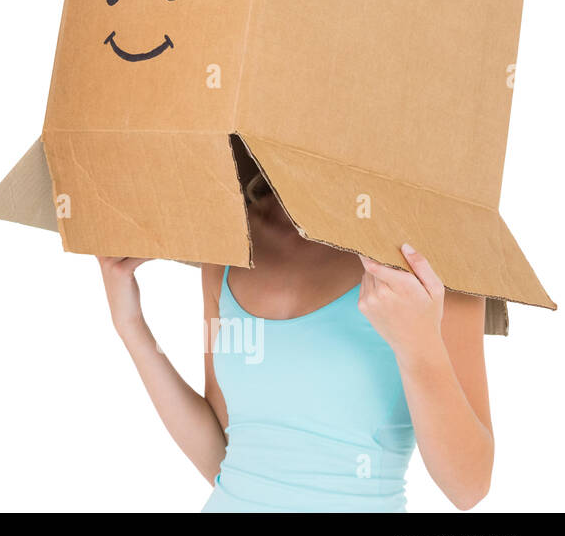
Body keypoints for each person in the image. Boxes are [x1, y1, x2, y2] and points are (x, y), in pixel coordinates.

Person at [98, 153, 492, 512]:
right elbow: (227, 454)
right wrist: (131, 328)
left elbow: (469, 487)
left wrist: (418, 344)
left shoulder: (434, 254)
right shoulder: (231, 239)